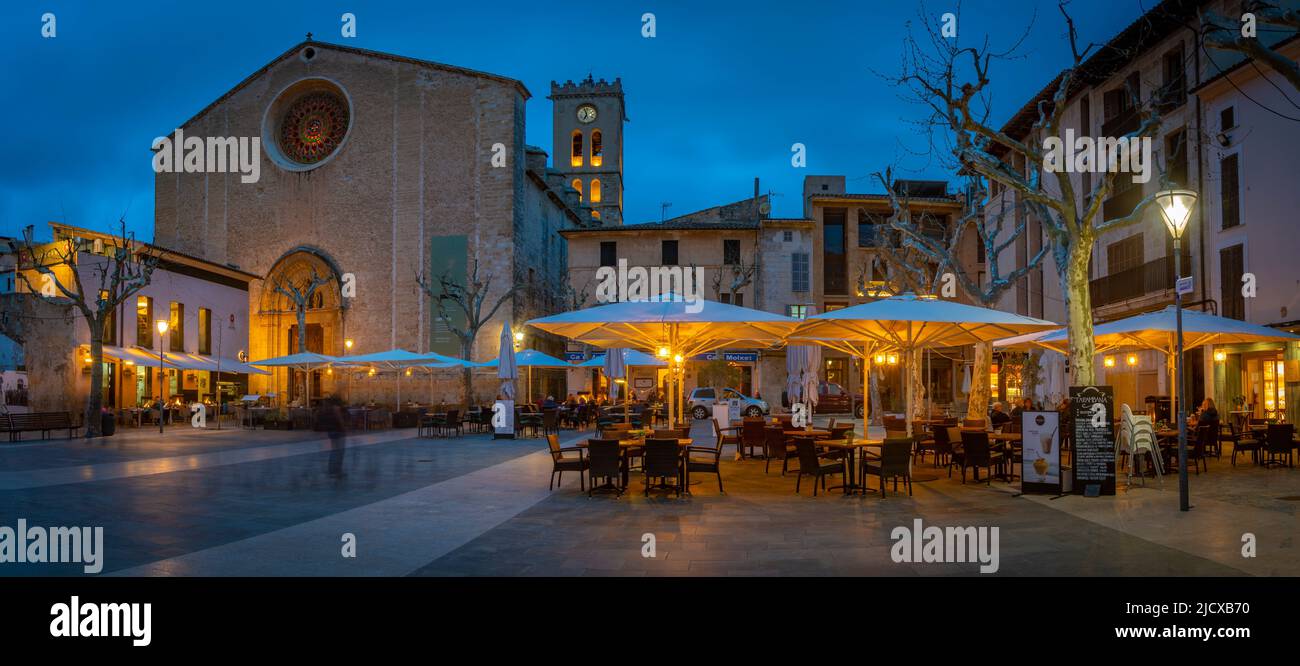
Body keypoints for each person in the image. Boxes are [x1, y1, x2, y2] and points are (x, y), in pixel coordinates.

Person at [318, 394, 348, 478]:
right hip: (338, 431)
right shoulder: (336, 408)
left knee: (334, 451)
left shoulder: (329, 408)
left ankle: (332, 470)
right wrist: (344, 428)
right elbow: (340, 420)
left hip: (331, 431)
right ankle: (337, 471)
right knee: (339, 452)